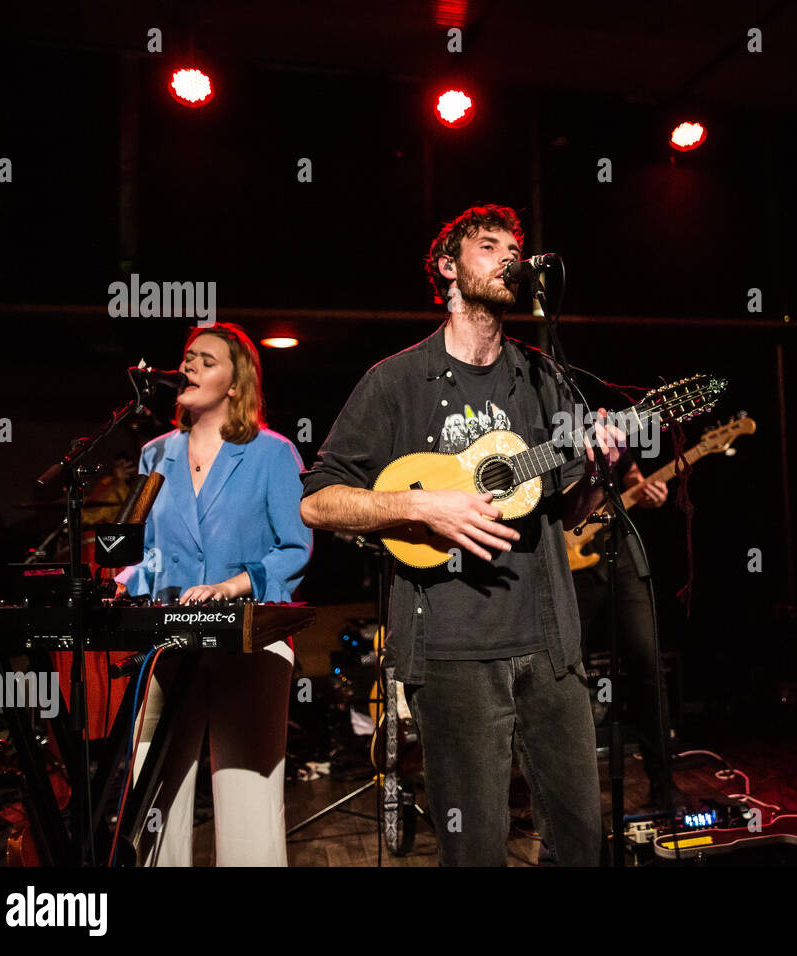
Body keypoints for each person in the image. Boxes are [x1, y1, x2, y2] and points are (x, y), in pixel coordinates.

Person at [300, 204, 623, 866]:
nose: (510, 257)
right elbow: (318, 501)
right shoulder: (395, 381)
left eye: (516, 247)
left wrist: (601, 472)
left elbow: (565, 512)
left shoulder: (543, 376)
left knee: (583, 843)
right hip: (451, 655)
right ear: (448, 267)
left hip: (552, 647)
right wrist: (426, 509)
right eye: (488, 246)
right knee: (475, 849)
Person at [117, 322, 312, 866]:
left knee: (248, 803)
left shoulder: (273, 453)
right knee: (154, 801)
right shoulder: (154, 455)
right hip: (167, 643)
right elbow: (142, 551)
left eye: (206, 360)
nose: (189, 366)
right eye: (187, 358)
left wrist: (231, 584)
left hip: (249, 640)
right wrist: (127, 581)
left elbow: (295, 548)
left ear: (235, 383)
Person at [569, 450, 674, 807]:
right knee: (568, 671)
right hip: (567, 550)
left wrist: (646, 492)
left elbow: (630, 473)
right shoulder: (545, 403)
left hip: (618, 543)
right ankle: (572, 798)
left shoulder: (607, 408)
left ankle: (663, 783)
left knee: (647, 659)